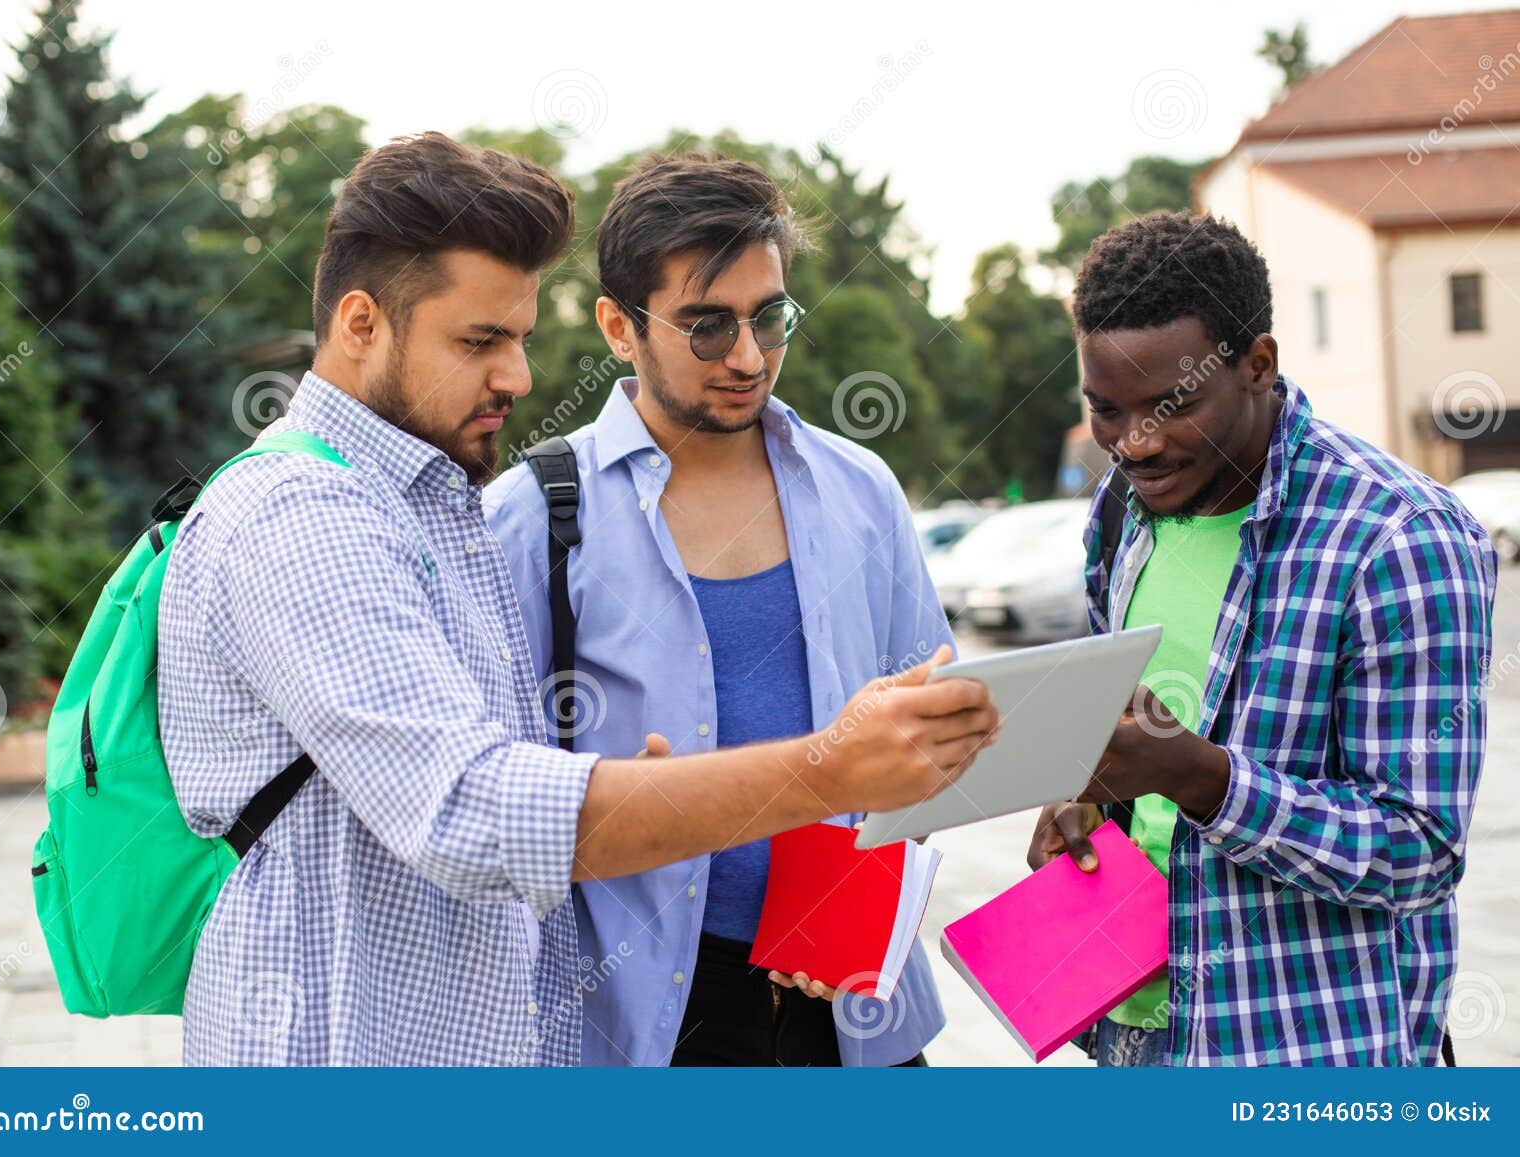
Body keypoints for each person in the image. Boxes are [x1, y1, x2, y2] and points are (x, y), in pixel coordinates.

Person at [156, 133, 999, 1066]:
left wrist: (656, 793)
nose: (518, 377)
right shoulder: (306, 519)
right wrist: (824, 772)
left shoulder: (424, 506)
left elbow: (509, 764)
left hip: (826, 1008)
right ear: (361, 324)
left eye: (516, 338)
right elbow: (475, 808)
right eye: (481, 341)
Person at [486, 154, 948, 1067]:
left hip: (858, 1005)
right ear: (619, 327)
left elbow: (932, 731)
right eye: (706, 327)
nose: (747, 356)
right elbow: (486, 796)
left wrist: (870, 900)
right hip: (646, 1015)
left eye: (769, 317)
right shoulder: (530, 517)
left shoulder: (861, 489)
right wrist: (628, 797)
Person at [1028, 210, 1495, 1067]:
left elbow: (1419, 852)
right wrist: (1091, 804)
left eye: (1171, 407)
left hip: (1306, 1058)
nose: (1135, 443)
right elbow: (1127, 753)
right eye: (1105, 410)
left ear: (1259, 365)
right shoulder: (1121, 511)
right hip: (1130, 1030)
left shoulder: (1400, 538)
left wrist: (1204, 779)